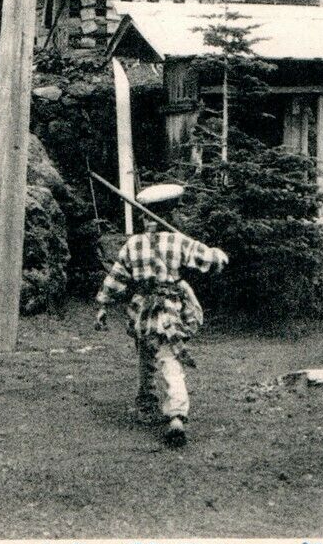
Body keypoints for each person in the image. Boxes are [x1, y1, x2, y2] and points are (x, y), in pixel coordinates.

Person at [94, 183, 228, 448]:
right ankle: (176, 415)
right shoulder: (179, 242)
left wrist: (103, 305)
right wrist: (218, 255)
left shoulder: (133, 244)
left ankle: (147, 403)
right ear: (171, 214)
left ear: (147, 215)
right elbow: (212, 262)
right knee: (169, 358)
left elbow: (116, 277)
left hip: (142, 310)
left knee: (146, 357)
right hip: (168, 311)